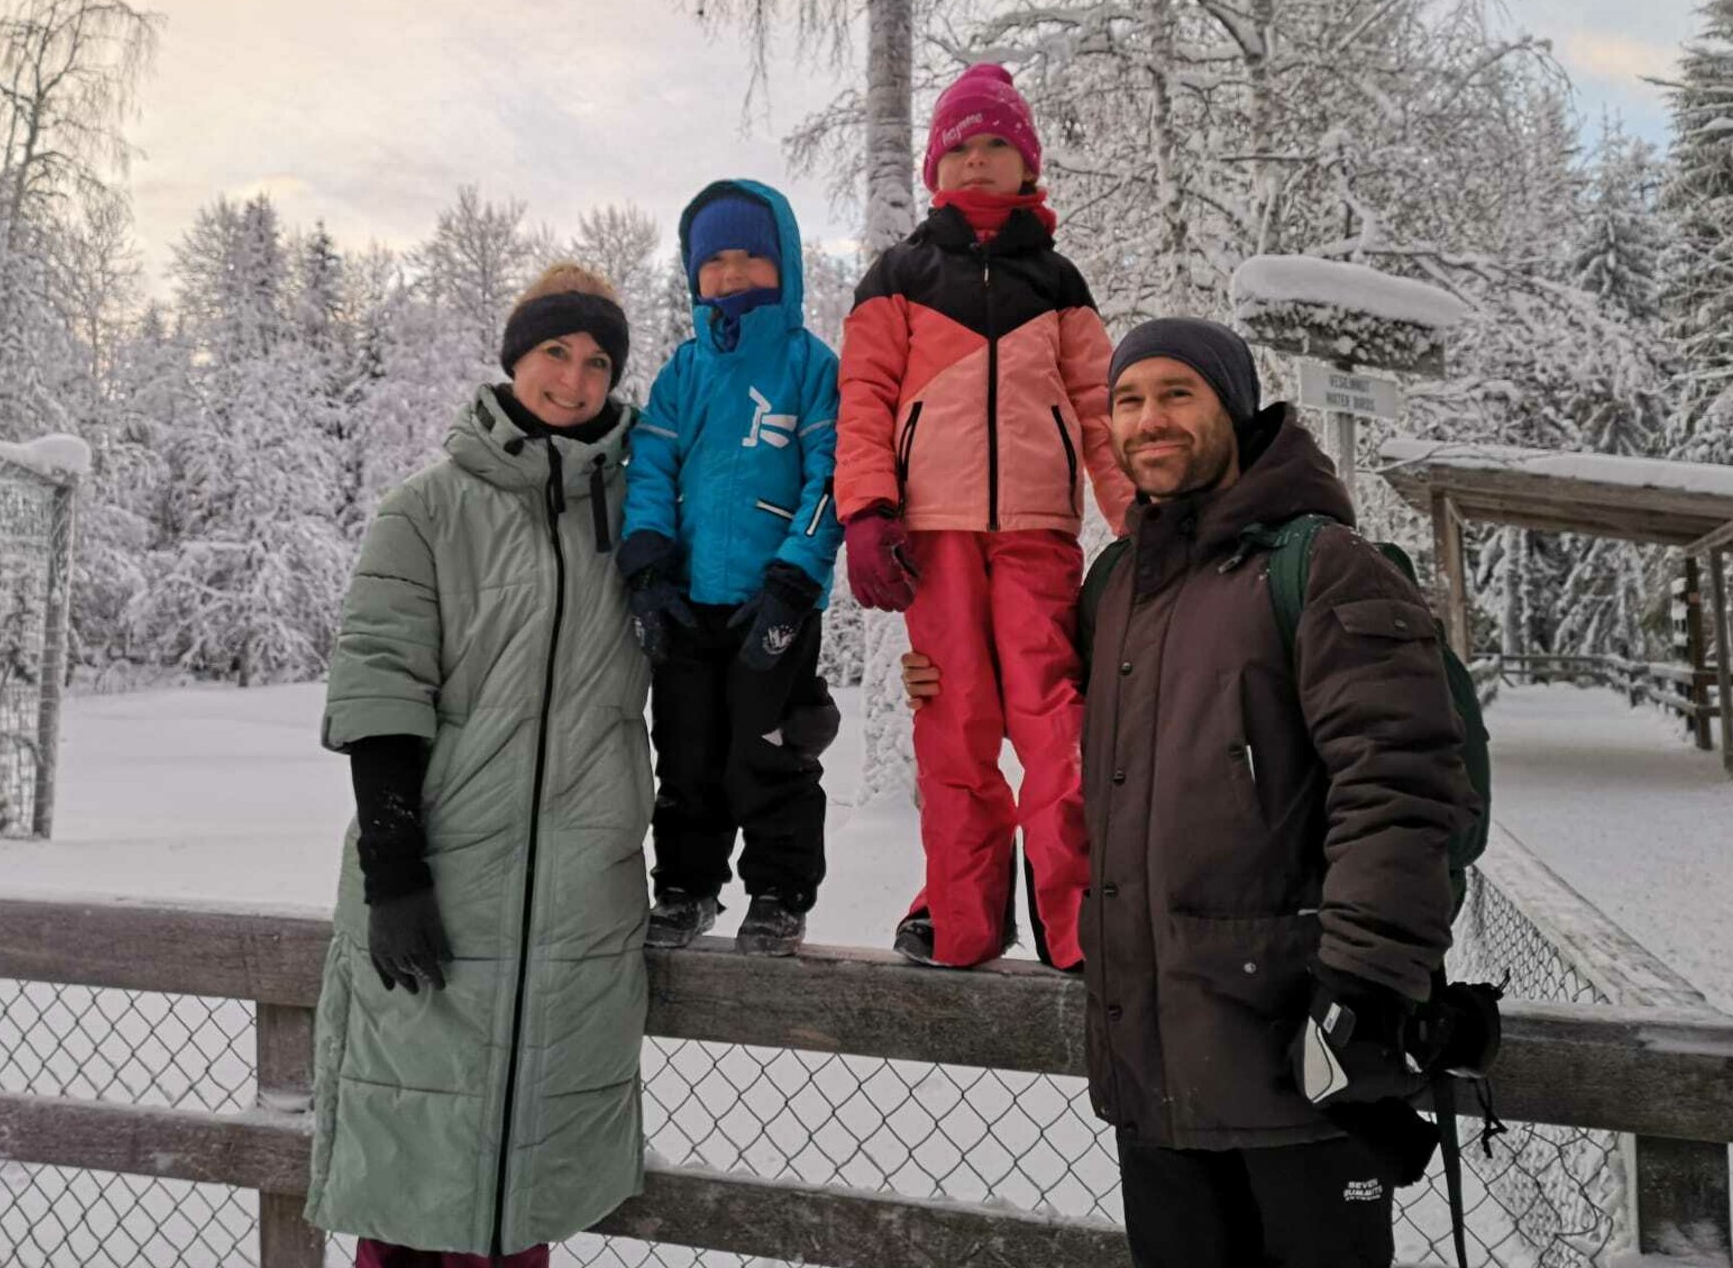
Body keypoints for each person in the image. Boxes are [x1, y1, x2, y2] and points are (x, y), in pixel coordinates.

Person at [903, 317, 1477, 1268]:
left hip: (1299, 1066)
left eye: (1177, 394)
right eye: (1126, 401)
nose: (1146, 421)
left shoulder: (1322, 565)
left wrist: (1364, 986)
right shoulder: (1120, 582)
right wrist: (943, 680)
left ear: (1235, 409)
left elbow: (1404, 782)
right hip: (1156, 1073)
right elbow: (1056, 720)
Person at [306, 264, 651, 1267]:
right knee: (410, 1178)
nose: (575, 379)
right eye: (555, 351)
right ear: (513, 358)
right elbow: (378, 690)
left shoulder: (636, 518)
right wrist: (396, 868)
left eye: (597, 362)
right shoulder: (426, 510)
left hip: (576, 907)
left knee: (516, 1199)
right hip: (440, 888)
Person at [835, 63, 1135, 972]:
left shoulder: (1061, 283)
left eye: (996, 144)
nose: (976, 161)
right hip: (933, 538)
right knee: (954, 720)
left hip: (1038, 531)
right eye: (958, 147)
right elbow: (865, 398)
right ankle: (960, 916)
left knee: (1058, 723)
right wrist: (866, 512)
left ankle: (1074, 916)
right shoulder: (898, 276)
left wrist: (1139, 527)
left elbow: (1099, 411)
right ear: (934, 166)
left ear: (1028, 163)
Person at [619, 179, 845, 956]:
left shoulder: (810, 366)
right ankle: (685, 887)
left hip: (773, 600)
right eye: (714, 262)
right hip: (688, 604)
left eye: (751, 256)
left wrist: (794, 580)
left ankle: (780, 892)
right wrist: (647, 564)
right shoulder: (683, 372)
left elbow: (832, 475)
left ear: (783, 264)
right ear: (693, 276)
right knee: (683, 751)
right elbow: (650, 465)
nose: (732, 273)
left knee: (769, 750)